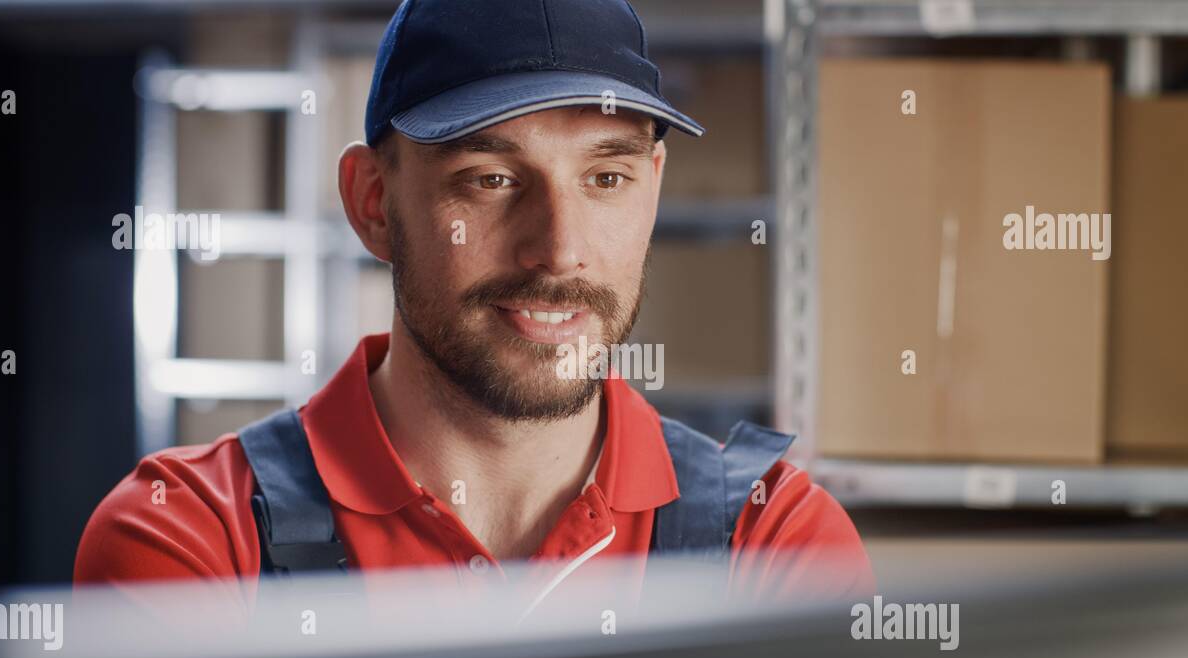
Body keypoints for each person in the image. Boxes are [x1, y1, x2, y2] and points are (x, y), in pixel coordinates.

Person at [75, 0, 874, 611]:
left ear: (653, 188)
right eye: (491, 179)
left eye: (606, 178)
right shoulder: (191, 538)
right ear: (373, 202)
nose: (560, 251)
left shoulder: (775, 540)